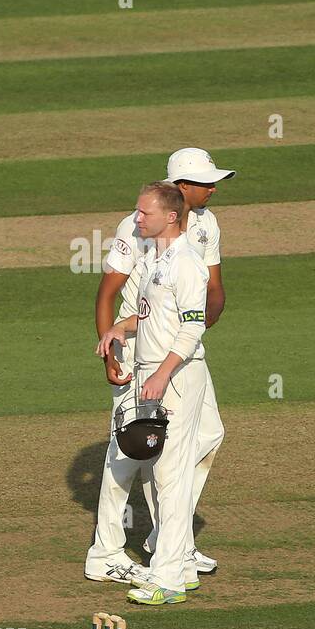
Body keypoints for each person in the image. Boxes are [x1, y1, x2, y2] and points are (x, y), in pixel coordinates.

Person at [85, 149, 234, 586]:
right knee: (130, 448)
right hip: (138, 348)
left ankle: (170, 538)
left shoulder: (205, 224)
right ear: (180, 190)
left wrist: (190, 331)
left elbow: (215, 290)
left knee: (206, 437)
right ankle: (107, 551)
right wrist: (111, 351)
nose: (213, 188)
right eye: (204, 182)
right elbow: (106, 292)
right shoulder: (138, 226)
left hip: (175, 349)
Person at [96, 183, 209, 605]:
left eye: (144, 213)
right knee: (160, 474)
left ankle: (170, 580)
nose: (137, 219)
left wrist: (162, 373)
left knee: (170, 477)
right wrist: (118, 329)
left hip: (176, 377)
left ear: (171, 217)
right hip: (153, 376)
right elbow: (152, 316)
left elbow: (193, 327)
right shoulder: (155, 259)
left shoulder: (186, 265)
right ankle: (176, 566)